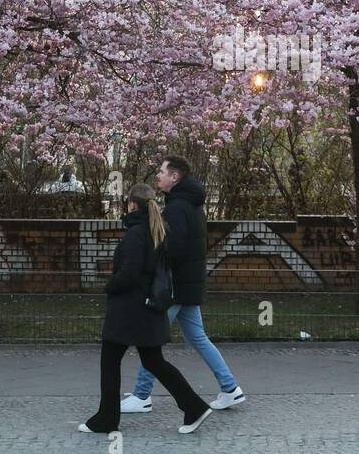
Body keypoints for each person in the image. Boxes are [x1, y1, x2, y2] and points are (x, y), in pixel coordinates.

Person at [80, 183, 213, 434]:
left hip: (129, 312)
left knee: (110, 361)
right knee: (154, 361)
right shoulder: (157, 230)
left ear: (132, 205)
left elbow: (129, 273)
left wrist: (110, 286)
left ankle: (107, 419)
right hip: (148, 309)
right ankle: (193, 406)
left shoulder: (136, 233)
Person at [121, 156, 245, 412]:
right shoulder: (192, 204)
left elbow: (173, 248)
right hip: (188, 283)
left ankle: (142, 395)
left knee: (150, 336)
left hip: (175, 286)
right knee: (198, 337)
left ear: (174, 177)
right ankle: (230, 388)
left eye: (162, 171)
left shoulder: (177, 207)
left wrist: (152, 263)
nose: (158, 175)